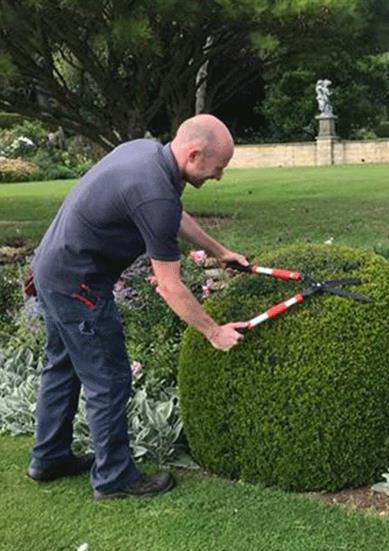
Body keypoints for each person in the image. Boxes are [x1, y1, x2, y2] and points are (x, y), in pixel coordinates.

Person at [26, 114, 248, 500]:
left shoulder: (146, 153)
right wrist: (214, 332)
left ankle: (49, 458)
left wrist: (219, 251)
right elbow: (169, 286)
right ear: (194, 154)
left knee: (61, 367)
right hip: (80, 286)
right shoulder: (156, 193)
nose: (219, 176)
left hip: (51, 270)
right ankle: (114, 479)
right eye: (218, 168)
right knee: (109, 380)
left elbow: (172, 214)